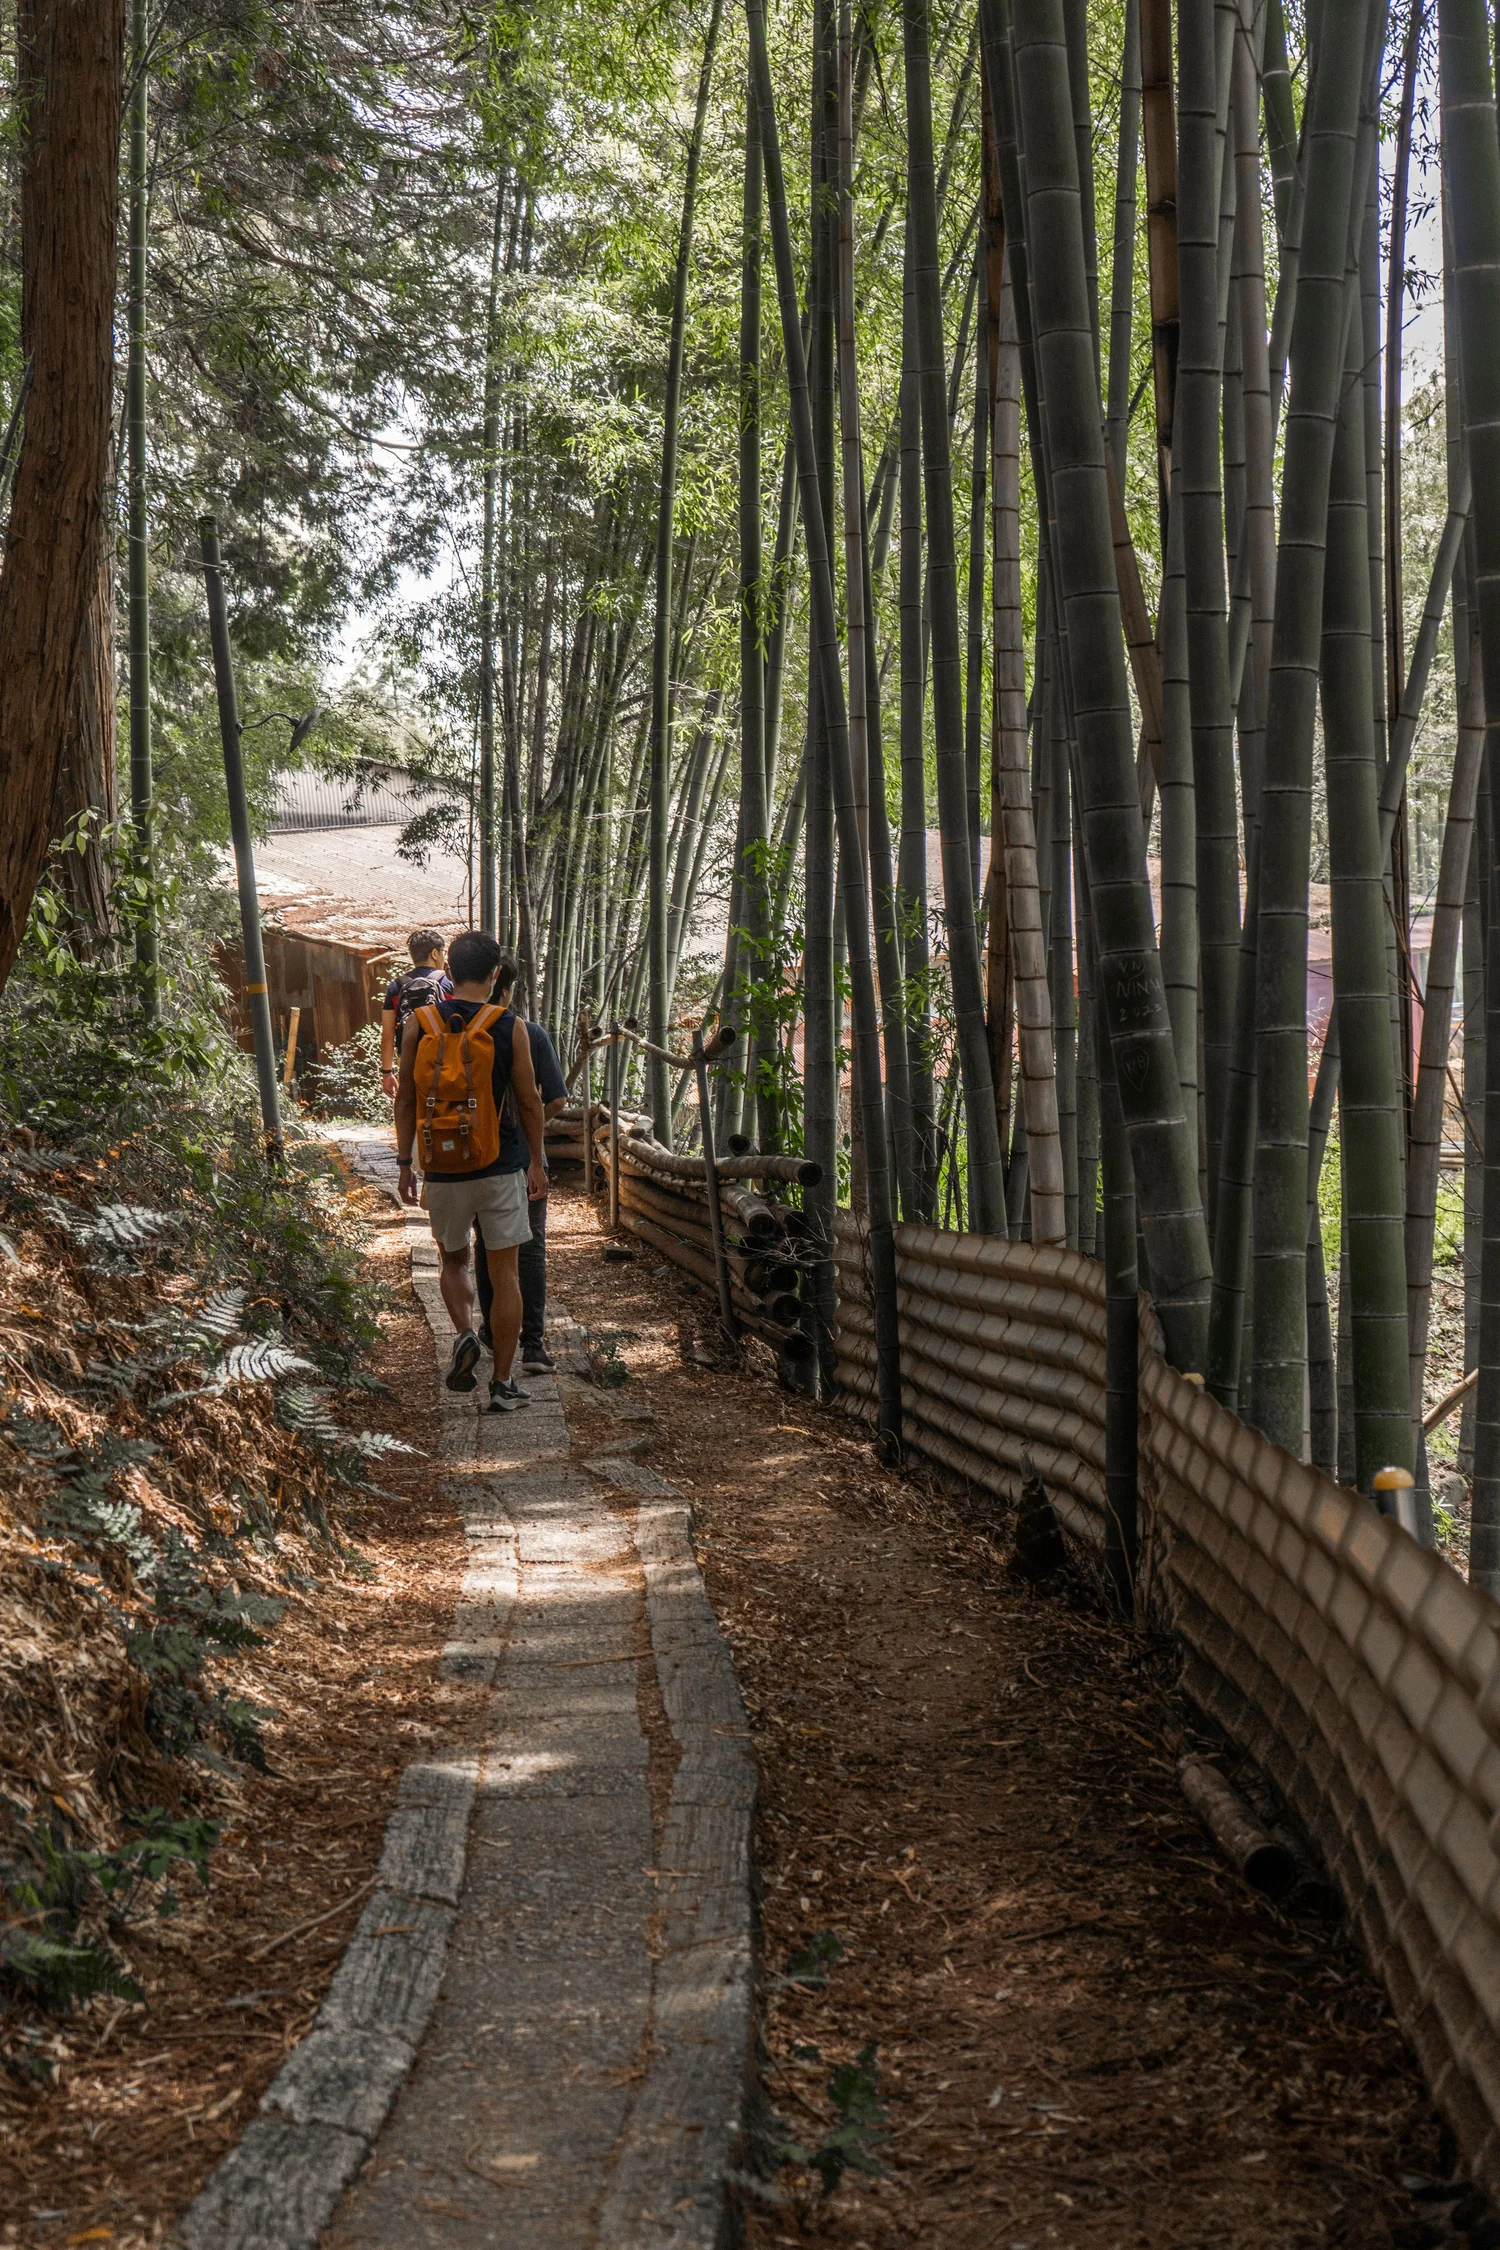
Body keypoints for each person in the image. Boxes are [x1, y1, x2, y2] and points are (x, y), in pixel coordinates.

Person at [393, 932, 546, 1412]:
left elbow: (405, 1098)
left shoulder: (419, 1022)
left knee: (453, 1261)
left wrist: (404, 1163)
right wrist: (537, 1161)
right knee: (505, 1276)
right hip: (500, 1166)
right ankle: (502, 1383)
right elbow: (529, 1100)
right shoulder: (509, 1025)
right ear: (496, 974)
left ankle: (463, 1333)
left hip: (442, 1167)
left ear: (448, 972)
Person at [475, 1012, 567, 1371]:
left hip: (476, 1157)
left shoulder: (456, 1027)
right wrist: (530, 1126)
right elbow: (556, 1099)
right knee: (530, 1249)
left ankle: (493, 1333)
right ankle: (532, 1344)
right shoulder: (528, 1032)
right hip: (524, 1157)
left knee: (485, 1244)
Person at [380, 928, 450, 1102]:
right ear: (434, 953)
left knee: (412, 1108)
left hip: (409, 1060)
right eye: (443, 952)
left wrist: (387, 1073)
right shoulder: (449, 984)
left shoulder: (395, 987)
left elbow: (387, 1036)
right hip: (445, 1058)